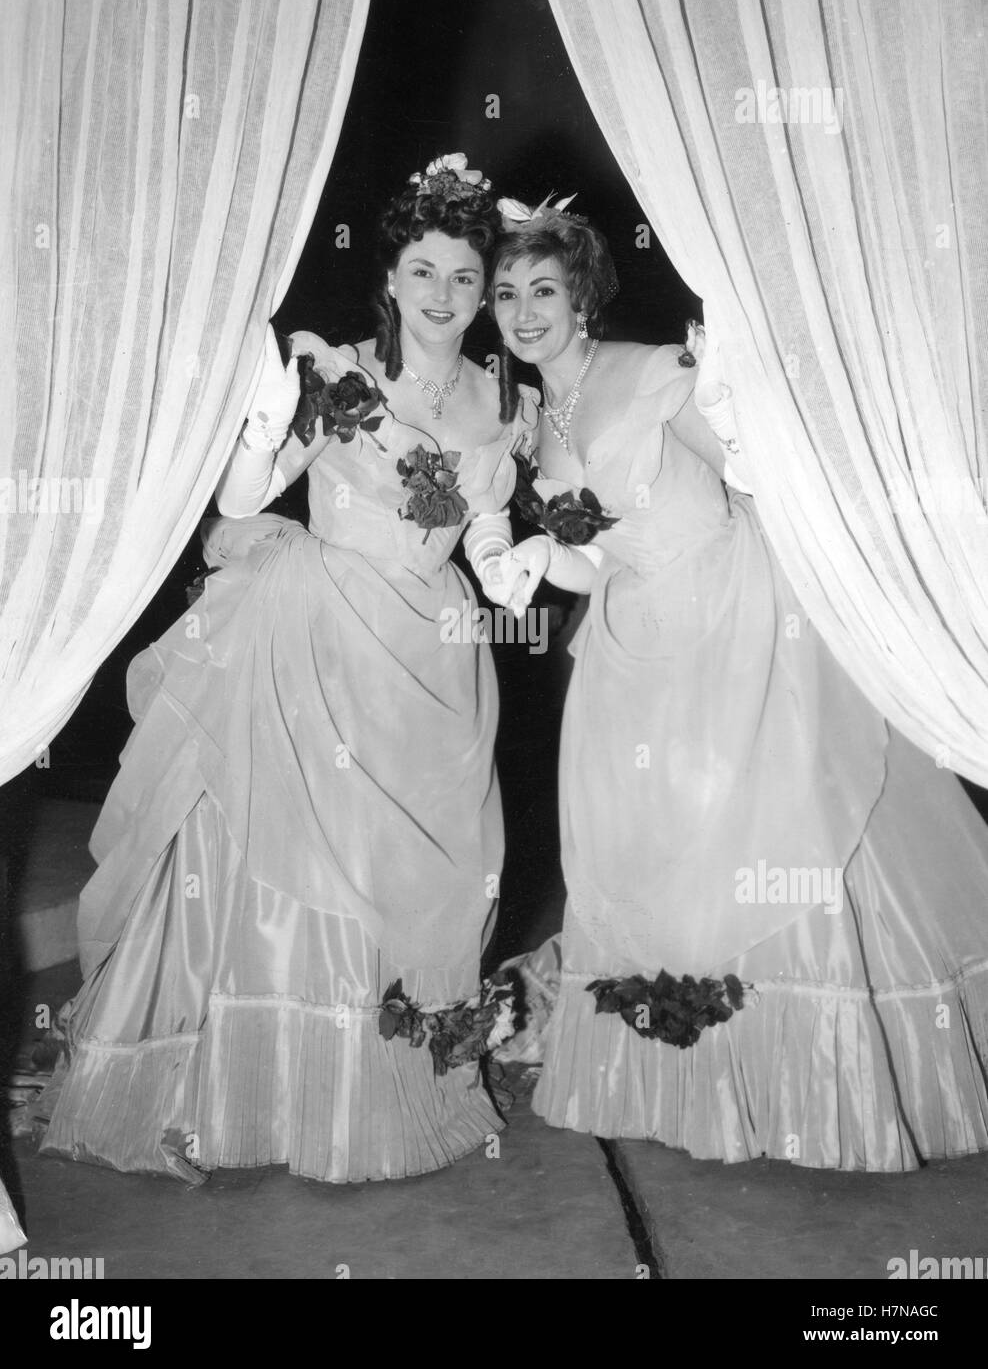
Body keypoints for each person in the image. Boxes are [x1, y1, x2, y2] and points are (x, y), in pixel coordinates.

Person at [40, 155, 536, 1184]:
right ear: (389, 278)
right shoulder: (339, 372)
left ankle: (373, 1080)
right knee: (287, 862)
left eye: (463, 279)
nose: (444, 298)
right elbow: (243, 497)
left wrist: (512, 565)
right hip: (314, 633)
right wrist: (264, 424)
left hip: (432, 657)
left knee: (423, 873)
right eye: (422, 274)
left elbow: (487, 529)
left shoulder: (503, 394)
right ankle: (242, 1090)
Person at [487, 196, 988, 1172]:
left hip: (732, 621)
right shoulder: (538, 420)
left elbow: (761, 483)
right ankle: (685, 1072)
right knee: (648, 858)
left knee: (748, 842)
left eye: (541, 288)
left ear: (583, 297)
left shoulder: (652, 372)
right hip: (629, 647)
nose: (521, 309)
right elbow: (595, 557)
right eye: (505, 292)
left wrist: (730, 398)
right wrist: (538, 558)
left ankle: (795, 1078)